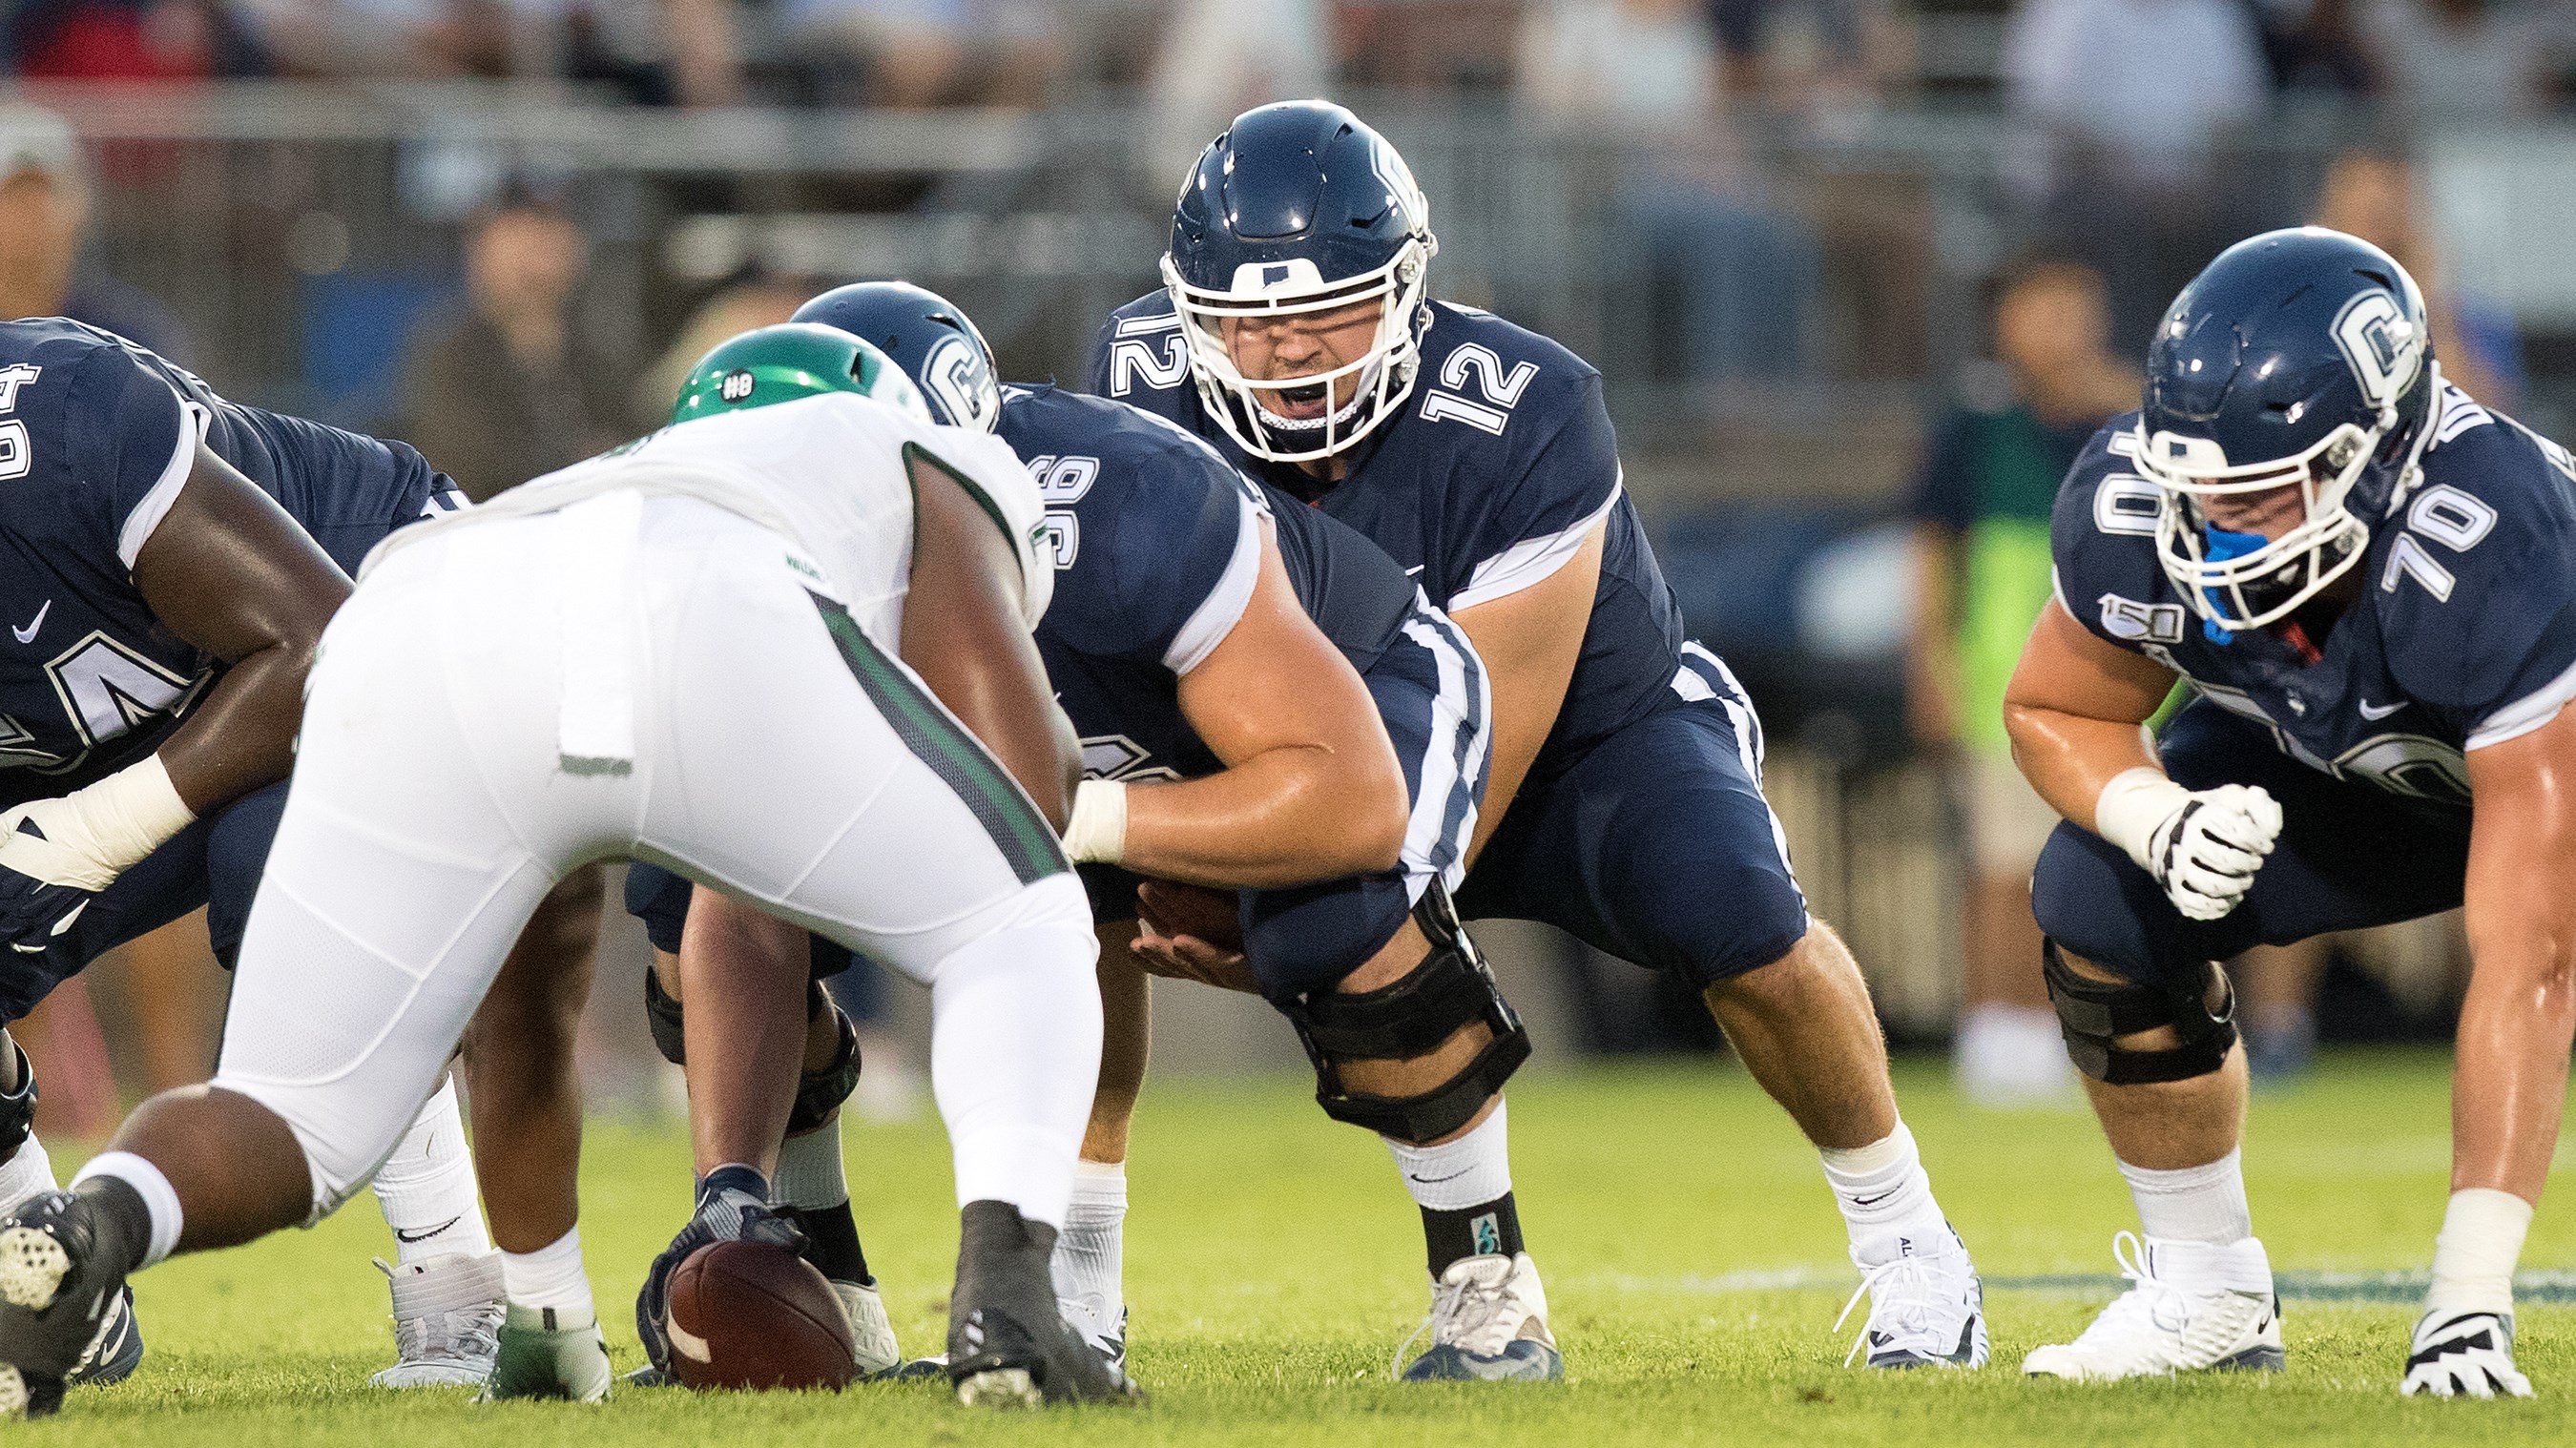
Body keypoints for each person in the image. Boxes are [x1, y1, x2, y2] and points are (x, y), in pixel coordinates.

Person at [0, 324, 1135, 1417]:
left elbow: (532, 1016)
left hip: (431, 609)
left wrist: (555, 1330)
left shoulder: (617, 473)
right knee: (1019, 920)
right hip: (698, 614)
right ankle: (1013, 1306)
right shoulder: (924, 450)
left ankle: (94, 1227)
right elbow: (1032, 789)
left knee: (292, 1116)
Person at [1092, 99, 1986, 1369]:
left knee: (1745, 925)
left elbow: (1456, 790)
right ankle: (1450, 1288)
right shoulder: (1134, 388)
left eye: (1334, 308)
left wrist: (1271, 916)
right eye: (1247, 316)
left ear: (1409, 288)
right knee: (1087, 894)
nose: (1288, 351)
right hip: (1324, 739)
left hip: (1579, 738)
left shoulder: (1528, 410)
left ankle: (1914, 1251)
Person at [629, 279, 1530, 1380]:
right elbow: (741, 899)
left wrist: (1089, 819)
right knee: (694, 905)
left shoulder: (1126, 512)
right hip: (1062, 745)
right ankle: (839, 1270)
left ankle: (1488, 1283)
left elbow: (1348, 799)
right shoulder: (733, 559)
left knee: (1343, 921)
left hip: (1329, 705)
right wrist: (727, 1194)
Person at [2005, 226, 2570, 1396]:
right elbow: (2053, 704)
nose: (2212, 529)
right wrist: (2150, 814)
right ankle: (2205, 1291)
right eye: (2195, 486)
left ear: (2379, 454)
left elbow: (2533, 962)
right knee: (2093, 893)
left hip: (2531, 779)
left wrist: (2467, 1302)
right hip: (2377, 773)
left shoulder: (2495, 552)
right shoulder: (2141, 502)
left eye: (2259, 492)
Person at [0, 319, 505, 1397]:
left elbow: (323, 641)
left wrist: (88, 836)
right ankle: (43, 1292)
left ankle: (459, 1288)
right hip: (164, 707)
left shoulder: (63, 421)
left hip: (374, 613)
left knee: (276, 861)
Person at [1904, 253, 2134, 1105]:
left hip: (2129, 688)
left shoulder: (2136, 422)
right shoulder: (1975, 427)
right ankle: (2000, 1032)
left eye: (2074, 306)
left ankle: (2103, 1025)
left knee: (2117, 868)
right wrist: (1928, 664)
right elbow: (1933, 555)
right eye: (2039, 308)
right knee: (2005, 869)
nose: (2058, 328)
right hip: (2004, 688)